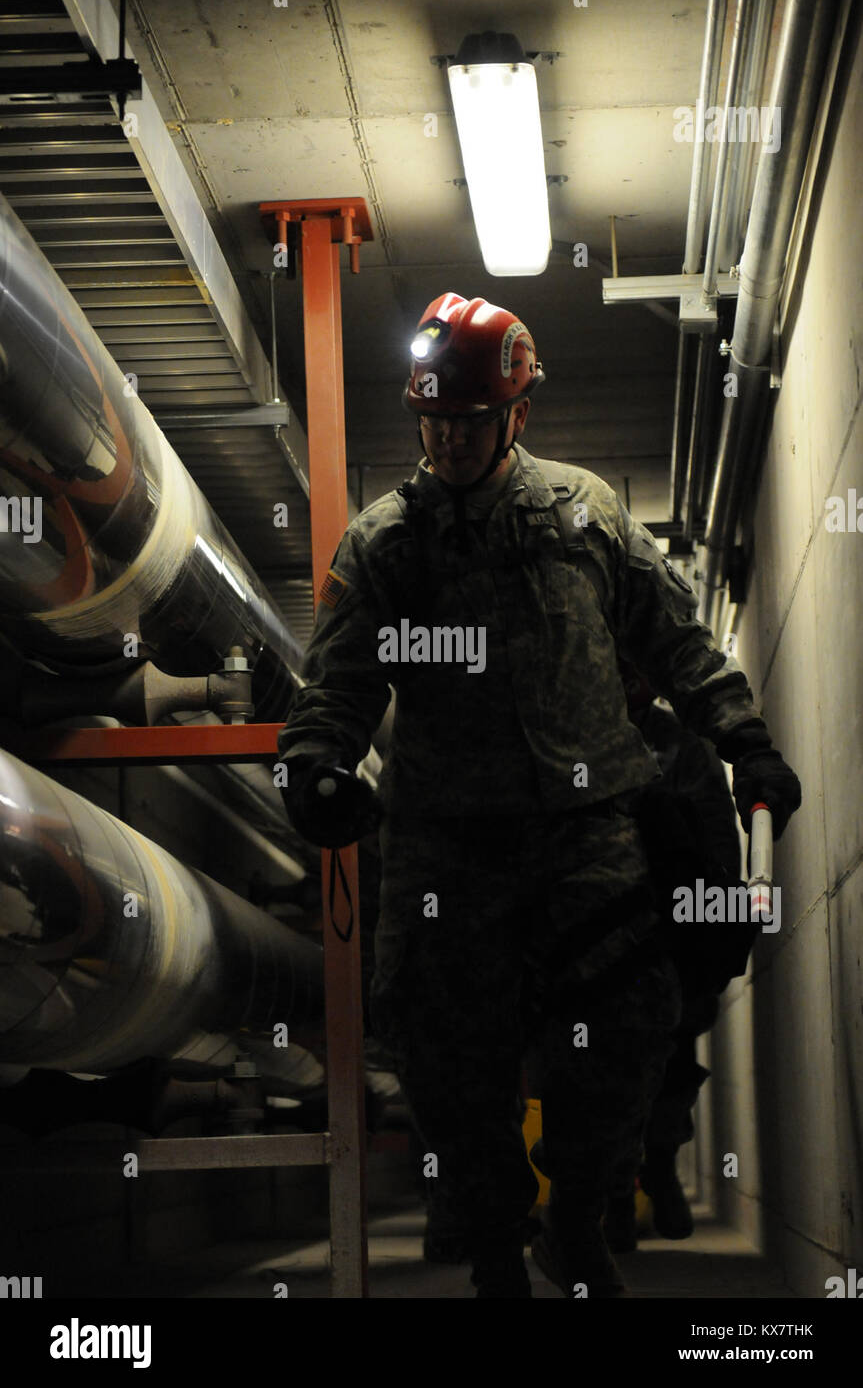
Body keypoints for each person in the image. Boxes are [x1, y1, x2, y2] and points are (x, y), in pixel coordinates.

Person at [276, 292, 801, 1298]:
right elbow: (335, 684)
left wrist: (742, 740)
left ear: (514, 415)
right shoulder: (385, 544)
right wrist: (316, 764)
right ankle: (489, 1242)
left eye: (467, 422)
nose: (447, 441)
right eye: (430, 422)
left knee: (627, 1030)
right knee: (439, 1049)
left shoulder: (585, 514)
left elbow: (673, 641)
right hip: (446, 844)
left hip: (589, 831)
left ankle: (575, 1216)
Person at [604, 667, 759, 1252]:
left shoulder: (681, 742)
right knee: (606, 1066)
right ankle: (618, 1193)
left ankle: (661, 1162)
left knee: (671, 1055)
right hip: (602, 926)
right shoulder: (578, 733)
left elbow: (716, 834)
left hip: (670, 928)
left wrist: (715, 920)